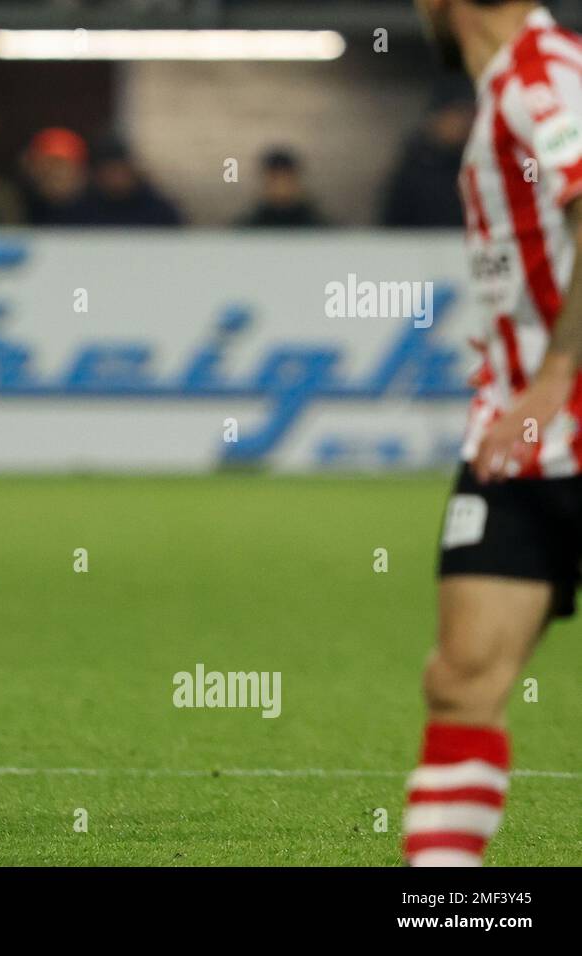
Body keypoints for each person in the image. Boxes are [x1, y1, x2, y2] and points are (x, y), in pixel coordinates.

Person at [406, 0, 582, 866]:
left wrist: (555, 375)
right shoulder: (509, 86)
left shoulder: (544, 77)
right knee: (461, 679)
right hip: (520, 450)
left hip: (561, 418)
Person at [381, 83, 476, 227]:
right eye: (456, 114)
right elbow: (392, 223)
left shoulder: (475, 165)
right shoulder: (413, 171)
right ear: (435, 118)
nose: (462, 124)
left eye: (468, 115)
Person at [86, 135, 183, 226]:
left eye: (120, 171)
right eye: (109, 171)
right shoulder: (84, 208)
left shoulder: (158, 209)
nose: (116, 178)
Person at [234, 147, 328, 228]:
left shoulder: (317, 228)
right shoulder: (248, 228)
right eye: (275, 179)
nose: (280, 186)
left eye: (286, 179)